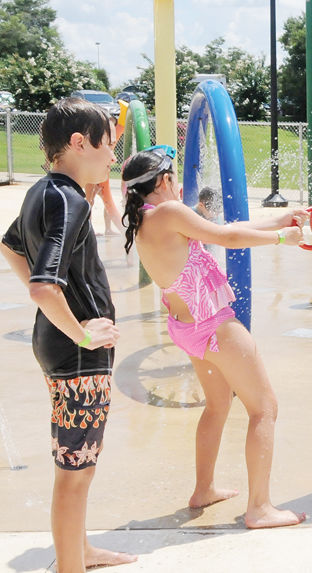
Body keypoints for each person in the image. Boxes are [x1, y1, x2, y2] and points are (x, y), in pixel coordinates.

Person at [121, 146, 307, 528]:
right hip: (214, 325)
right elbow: (228, 238)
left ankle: (202, 490)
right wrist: (282, 239)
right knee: (264, 408)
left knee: (218, 406)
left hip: (187, 328)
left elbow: (224, 230)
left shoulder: (145, 218)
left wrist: (279, 221)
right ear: (164, 180)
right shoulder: (171, 212)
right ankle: (260, 507)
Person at [0, 98, 136, 572]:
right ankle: (70, 566)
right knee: (75, 473)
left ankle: (77, 551)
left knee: (75, 465)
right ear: (79, 143)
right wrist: (80, 332)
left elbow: (11, 245)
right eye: (106, 146)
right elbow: (42, 285)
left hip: (57, 346)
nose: (112, 158)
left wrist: (63, 321)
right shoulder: (71, 199)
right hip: (77, 356)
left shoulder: (44, 190)